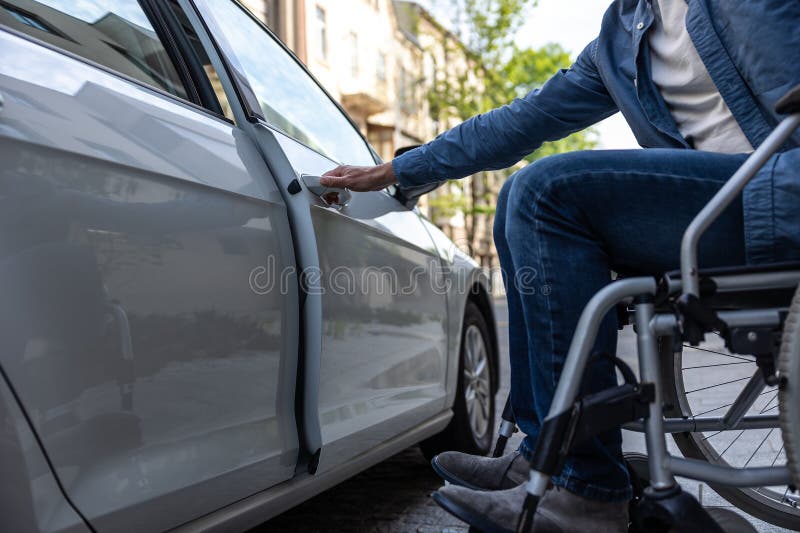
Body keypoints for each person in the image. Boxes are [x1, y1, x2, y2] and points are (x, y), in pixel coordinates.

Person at [320, 0, 800, 530]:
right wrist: (397, 168)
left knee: (544, 192)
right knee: (520, 199)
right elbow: (523, 119)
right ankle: (544, 452)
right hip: (716, 212)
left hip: (780, 190)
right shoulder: (624, 35)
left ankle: (586, 487)